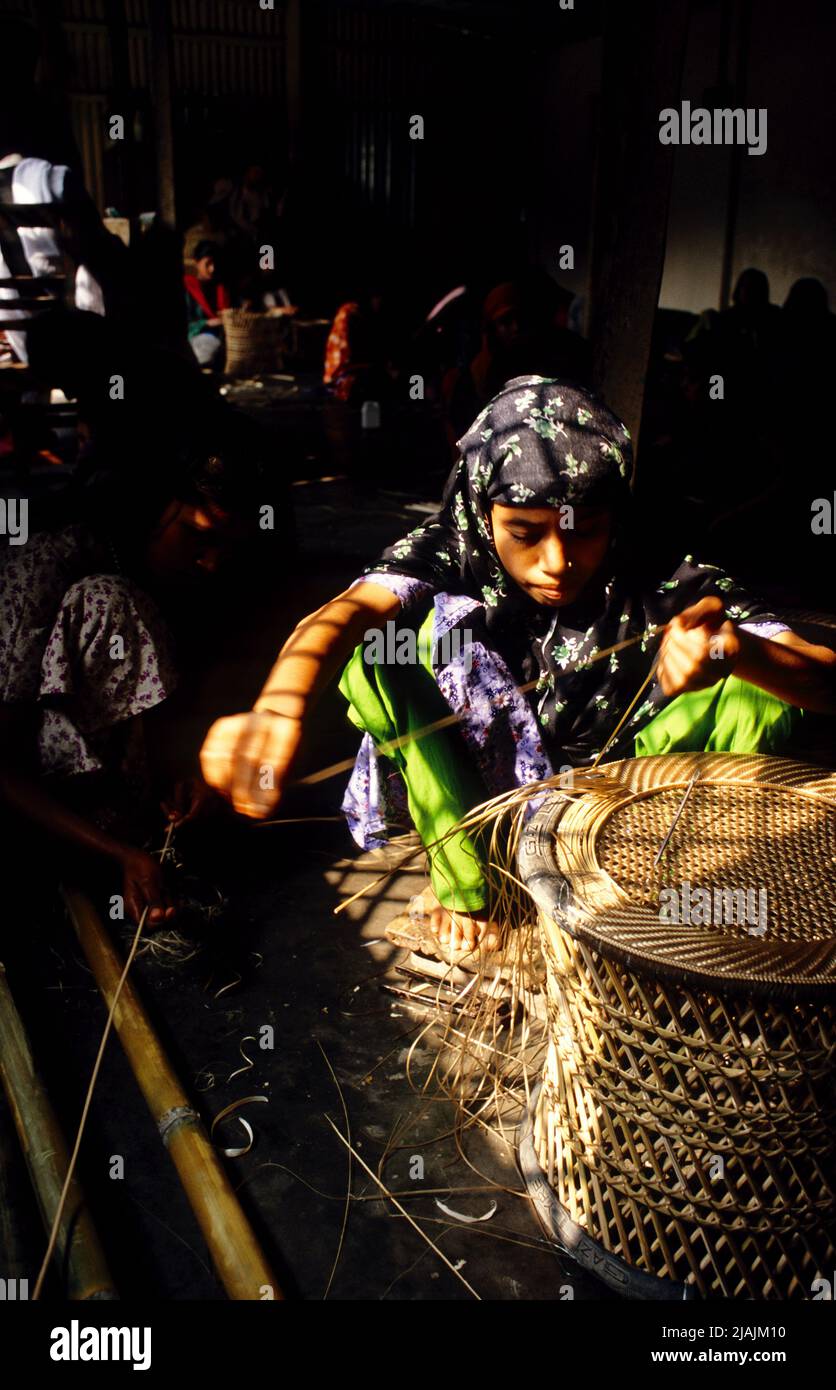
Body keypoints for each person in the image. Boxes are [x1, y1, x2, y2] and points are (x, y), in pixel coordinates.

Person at [199, 377, 836, 952]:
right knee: (376, 655)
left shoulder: (664, 562)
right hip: (491, 786)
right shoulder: (453, 544)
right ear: (483, 511)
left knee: (762, 685)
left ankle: (650, 883)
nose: (557, 561)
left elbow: (824, 676)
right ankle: (474, 885)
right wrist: (278, 704)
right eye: (526, 532)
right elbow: (343, 615)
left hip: (625, 796)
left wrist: (735, 650)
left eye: (584, 529)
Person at [0, 441, 258, 927]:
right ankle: (85, 841)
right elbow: (3, 767)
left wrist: (182, 777)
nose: (211, 562)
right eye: (197, 537)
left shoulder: (163, 574)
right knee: (110, 602)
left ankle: (123, 824)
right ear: (152, 513)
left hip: (107, 797)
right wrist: (116, 853)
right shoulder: (45, 567)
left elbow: (159, 708)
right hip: (27, 798)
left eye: (226, 547)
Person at [185, 240, 231, 370]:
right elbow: (181, 324)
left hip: (223, 339)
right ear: (196, 262)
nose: (213, 268)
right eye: (208, 263)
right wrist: (206, 323)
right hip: (197, 339)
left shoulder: (221, 288)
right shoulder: (187, 287)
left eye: (215, 263)